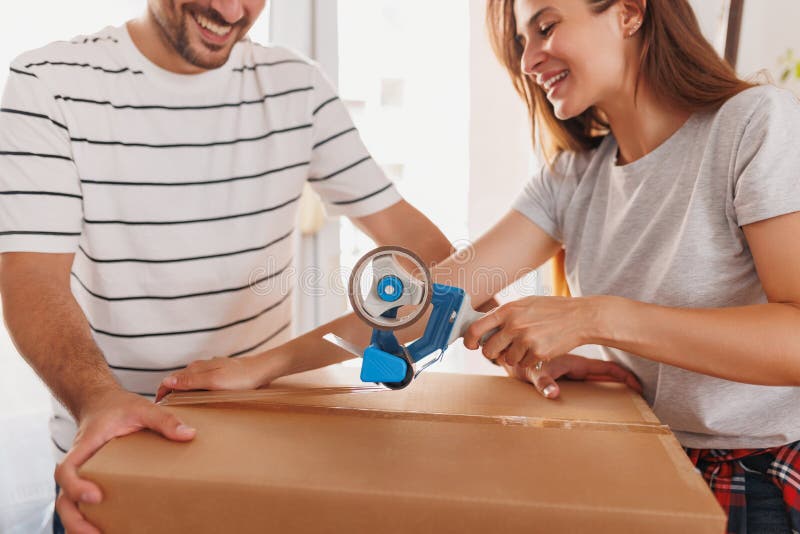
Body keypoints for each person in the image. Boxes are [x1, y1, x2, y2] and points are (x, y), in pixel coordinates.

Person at [162, 0, 800, 531]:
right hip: (640, 459)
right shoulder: (573, 178)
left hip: (757, 480)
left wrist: (598, 318)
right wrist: (263, 366)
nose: (527, 61)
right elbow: (428, 300)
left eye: (546, 26)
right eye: (523, 41)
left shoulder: (752, 126)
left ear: (630, 13)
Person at [0, 1, 500, 532]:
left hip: (259, 454)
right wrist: (98, 398)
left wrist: (503, 329)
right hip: (113, 456)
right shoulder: (48, 84)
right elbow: (31, 278)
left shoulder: (297, 88)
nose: (230, 9)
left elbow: (416, 242)